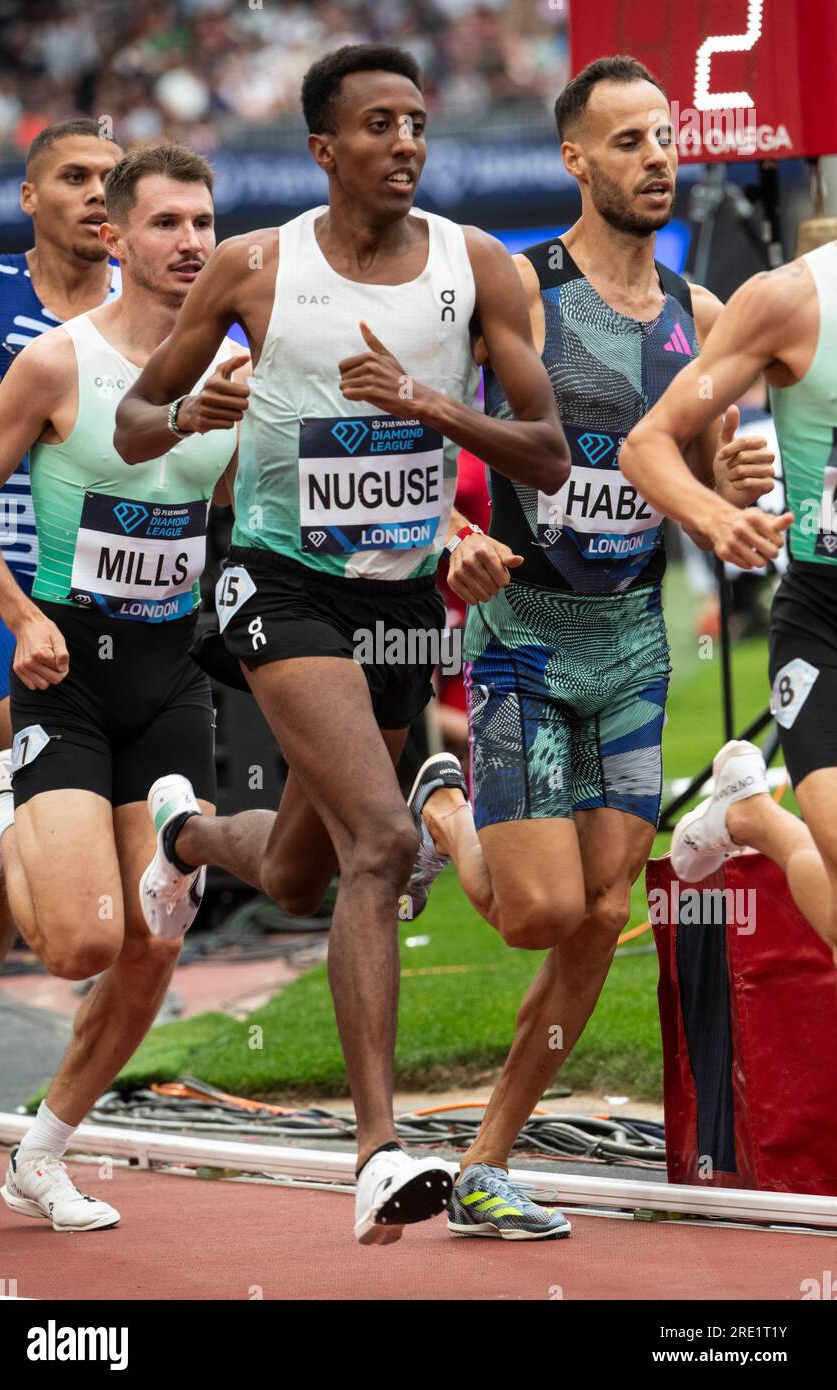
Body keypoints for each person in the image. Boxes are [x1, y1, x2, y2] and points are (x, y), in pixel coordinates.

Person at [114, 43, 570, 1245]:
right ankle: (375, 1153)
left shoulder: (476, 269)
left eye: (416, 121)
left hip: (397, 602)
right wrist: (187, 413)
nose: (406, 142)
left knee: (310, 872)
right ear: (323, 149)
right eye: (378, 124)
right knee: (380, 839)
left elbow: (547, 450)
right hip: (276, 584)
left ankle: (187, 832)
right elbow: (129, 422)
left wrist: (429, 406)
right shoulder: (253, 267)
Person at [402, 55, 776, 1239]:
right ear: (574, 158)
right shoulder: (518, 286)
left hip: (630, 649)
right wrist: (453, 532)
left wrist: (735, 479)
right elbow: (407, 431)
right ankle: (444, 804)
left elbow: (693, 472)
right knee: (531, 913)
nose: (655, 158)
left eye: (664, 138)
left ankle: (483, 1162)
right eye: (626, 142)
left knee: (600, 912)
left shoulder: (699, 316)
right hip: (519, 638)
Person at [0, 142, 279, 1233]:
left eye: (203, 222)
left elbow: (260, 514)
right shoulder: (58, 364)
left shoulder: (237, 367)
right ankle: (4, 801)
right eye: (164, 223)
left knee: (155, 939)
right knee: (80, 945)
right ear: (117, 236)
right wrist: (20, 617)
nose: (190, 241)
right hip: (66, 672)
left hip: (169, 683)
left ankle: (41, 1154)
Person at [621, 236, 837, 966]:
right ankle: (764, 821)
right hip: (825, 620)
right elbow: (647, 444)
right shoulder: (792, 300)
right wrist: (717, 512)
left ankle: (754, 816)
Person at [0, 118, 123, 1010]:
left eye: (112, 176)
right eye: (74, 176)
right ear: (30, 197)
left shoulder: (154, 312)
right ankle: (1, 805)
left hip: (109, 606)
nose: (97, 192)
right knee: (44, 788)